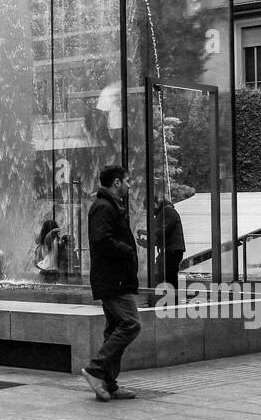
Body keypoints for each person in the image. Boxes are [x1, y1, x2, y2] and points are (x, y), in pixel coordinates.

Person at [81, 165, 140, 403]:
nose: (129, 185)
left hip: (116, 278)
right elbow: (101, 240)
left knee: (114, 328)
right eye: (127, 181)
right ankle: (96, 370)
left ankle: (109, 384)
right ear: (116, 182)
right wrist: (127, 251)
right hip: (113, 280)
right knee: (131, 324)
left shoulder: (109, 206)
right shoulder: (104, 207)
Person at [153, 192, 185, 289]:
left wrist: (149, 233)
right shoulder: (165, 212)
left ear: (155, 204)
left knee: (170, 278)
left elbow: (163, 231)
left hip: (172, 251)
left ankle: (172, 301)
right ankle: (171, 300)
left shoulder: (167, 211)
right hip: (171, 250)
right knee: (169, 278)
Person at [34, 217, 69, 283]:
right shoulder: (48, 241)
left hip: (47, 271)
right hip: (49, 272)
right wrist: (54, 231)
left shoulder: (49, 242)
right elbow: (48, 238)